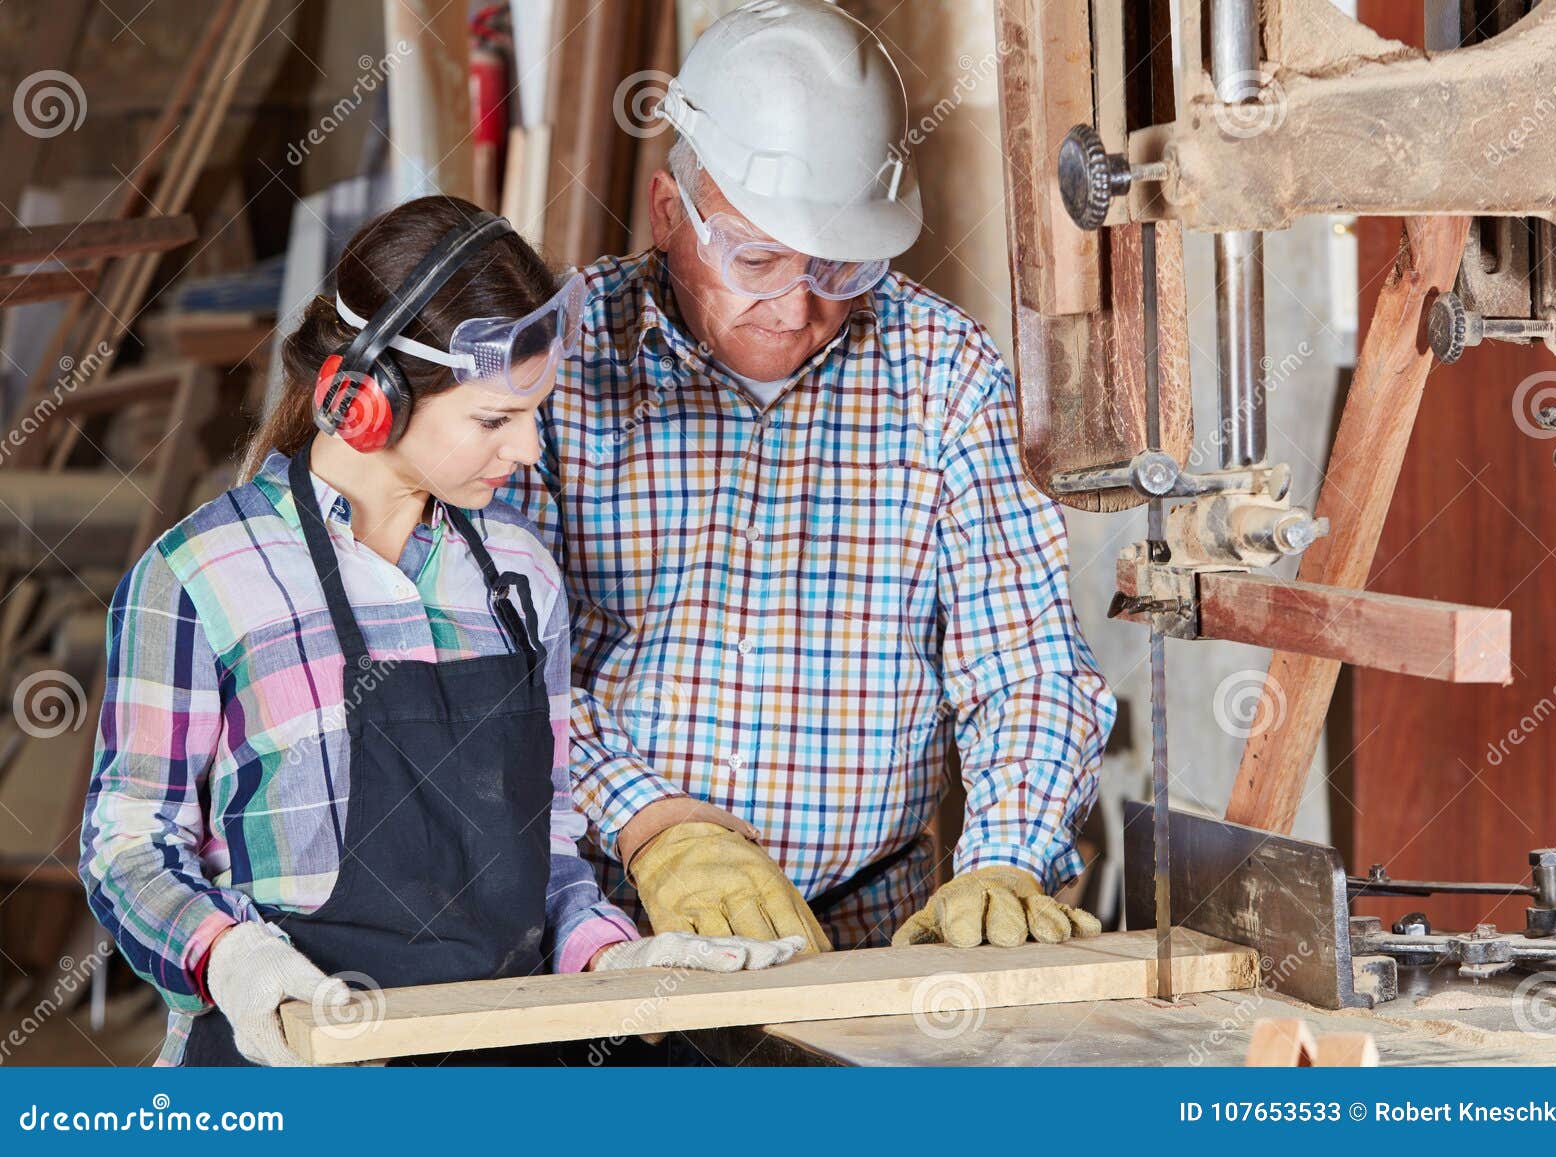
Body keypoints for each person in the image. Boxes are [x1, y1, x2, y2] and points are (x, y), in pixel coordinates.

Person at [80, 195, 801, 1068]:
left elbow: (546, 854)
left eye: (534, 411)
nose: (530, 448)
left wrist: (612, 952)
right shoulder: (200, 577)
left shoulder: (519, 583)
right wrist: (229, 954)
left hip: (504, 1075)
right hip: (288, 1074)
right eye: (495, 420)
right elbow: (128, 847)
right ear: (366, 403)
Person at [500, 0, 1117, 954]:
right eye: (756, 258)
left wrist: (1004, 856)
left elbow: (1025, 664)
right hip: (607, 923)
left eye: (838, 266)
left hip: (869, 929)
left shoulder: (942, 371)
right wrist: (656, 824)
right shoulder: (559, 364)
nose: (794, 307)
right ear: (671, 214)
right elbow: (491, 659)